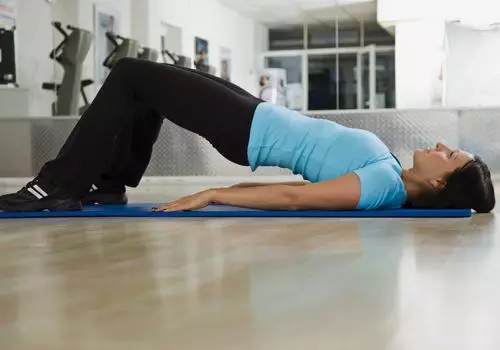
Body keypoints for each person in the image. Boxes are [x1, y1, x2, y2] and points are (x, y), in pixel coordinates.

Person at [0, 58, 495, 213]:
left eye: (449, 156)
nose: (440, 147)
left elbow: (295, 197)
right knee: (147, 86)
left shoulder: (381, 188)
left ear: (437, 185)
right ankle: (109, 181)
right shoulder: (388, 171)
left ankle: (57, 185)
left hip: (246, 130)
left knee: (130, 73)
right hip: (254, 113)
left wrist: (216, 193)